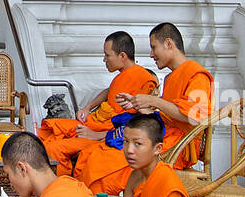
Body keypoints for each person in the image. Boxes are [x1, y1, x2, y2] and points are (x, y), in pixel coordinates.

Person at [79, 22, 214, 196]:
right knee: (97, 154)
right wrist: (139, 105)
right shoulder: (172, 77)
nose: (151, 55)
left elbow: (195, 117)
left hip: (175, 149)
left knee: (104, 164)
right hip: (160, 139)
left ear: (168, 44)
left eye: (153, 47)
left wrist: (154, 101)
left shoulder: (196, 73)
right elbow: (169, 115)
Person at [38, 31, 158, 176]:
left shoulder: (144, 80)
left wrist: (96, 134)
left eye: (107, 55)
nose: (104, 60)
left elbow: (134, 124)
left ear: (122, 56)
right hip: (94, 124)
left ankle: (61, 184)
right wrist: (87, 108)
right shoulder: (122, 76)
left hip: (106, 134)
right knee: (48, 132)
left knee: (54, 148)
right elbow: (109, 91)